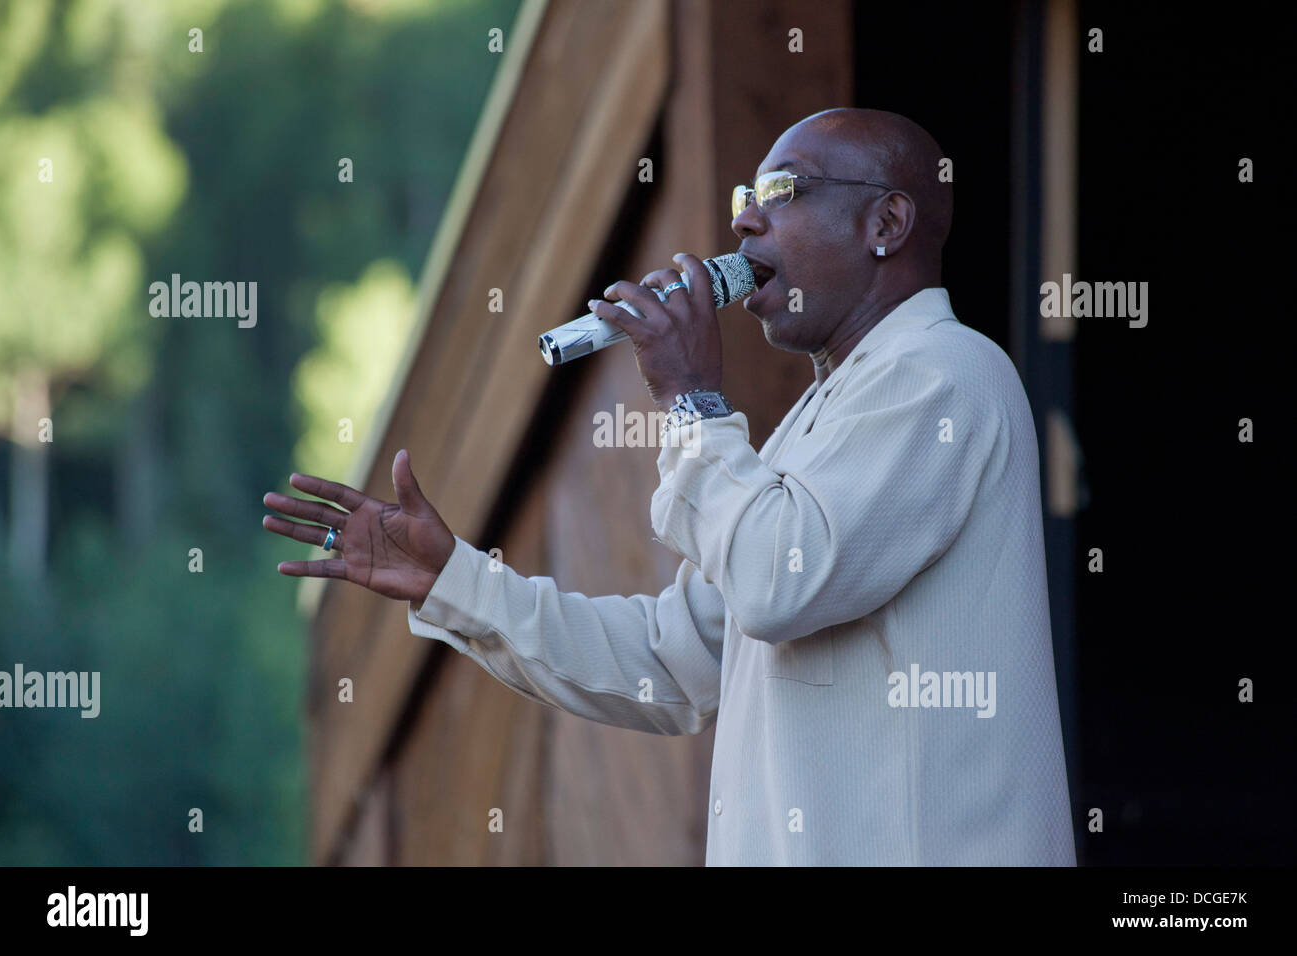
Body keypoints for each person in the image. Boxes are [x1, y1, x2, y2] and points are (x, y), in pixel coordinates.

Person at [263, 108, 1076, 866]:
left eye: (781, 191)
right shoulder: (825, 411)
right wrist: (456, 582)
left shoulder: (946, 375)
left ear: (886, 224)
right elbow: (673, 657)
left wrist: (691, 402)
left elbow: (777, 583)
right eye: (742, 199)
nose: (745, 221)